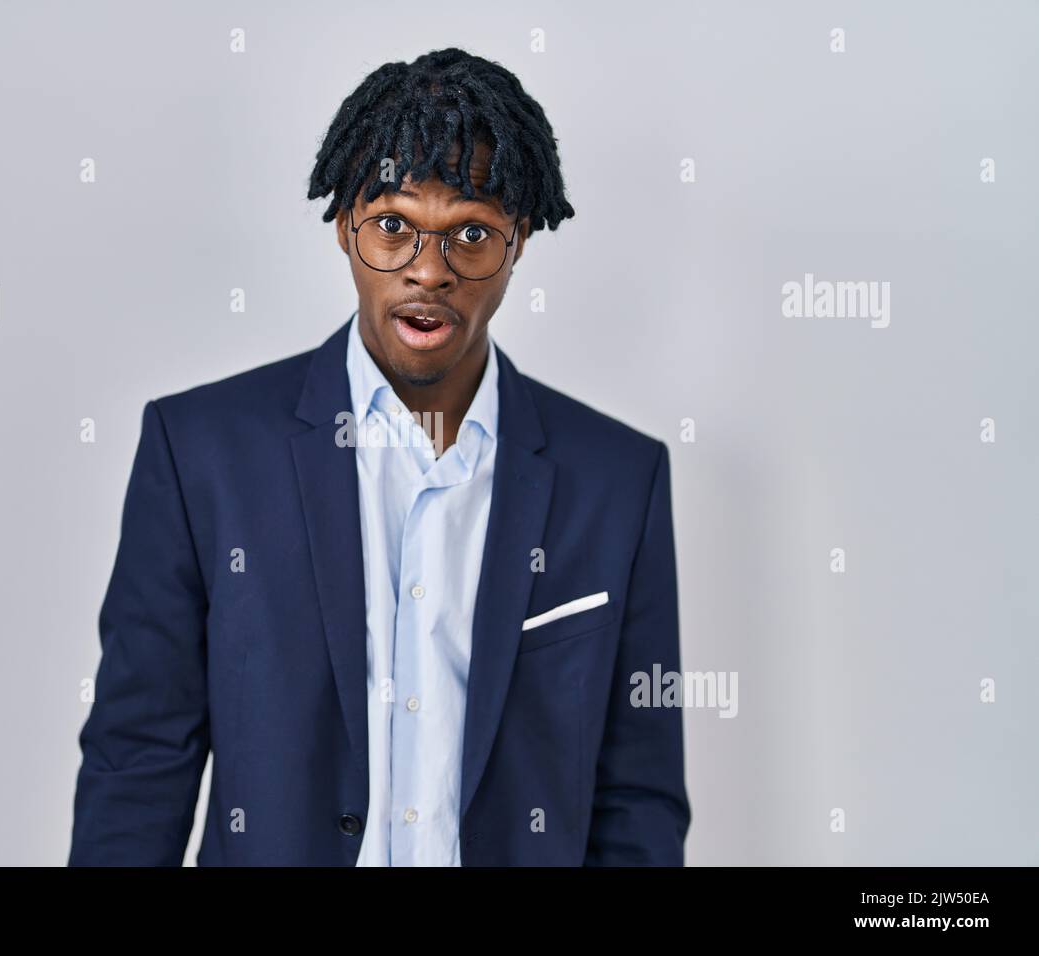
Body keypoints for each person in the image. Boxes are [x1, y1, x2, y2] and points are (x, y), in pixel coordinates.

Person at [68, 47, 690, 866]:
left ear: (520, 241)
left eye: (471, 232)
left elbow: (636, 798)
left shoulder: (617, 481)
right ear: (343, 226)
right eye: (393, 225)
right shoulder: (202, 454)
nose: (428, 270)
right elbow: (139, 762)